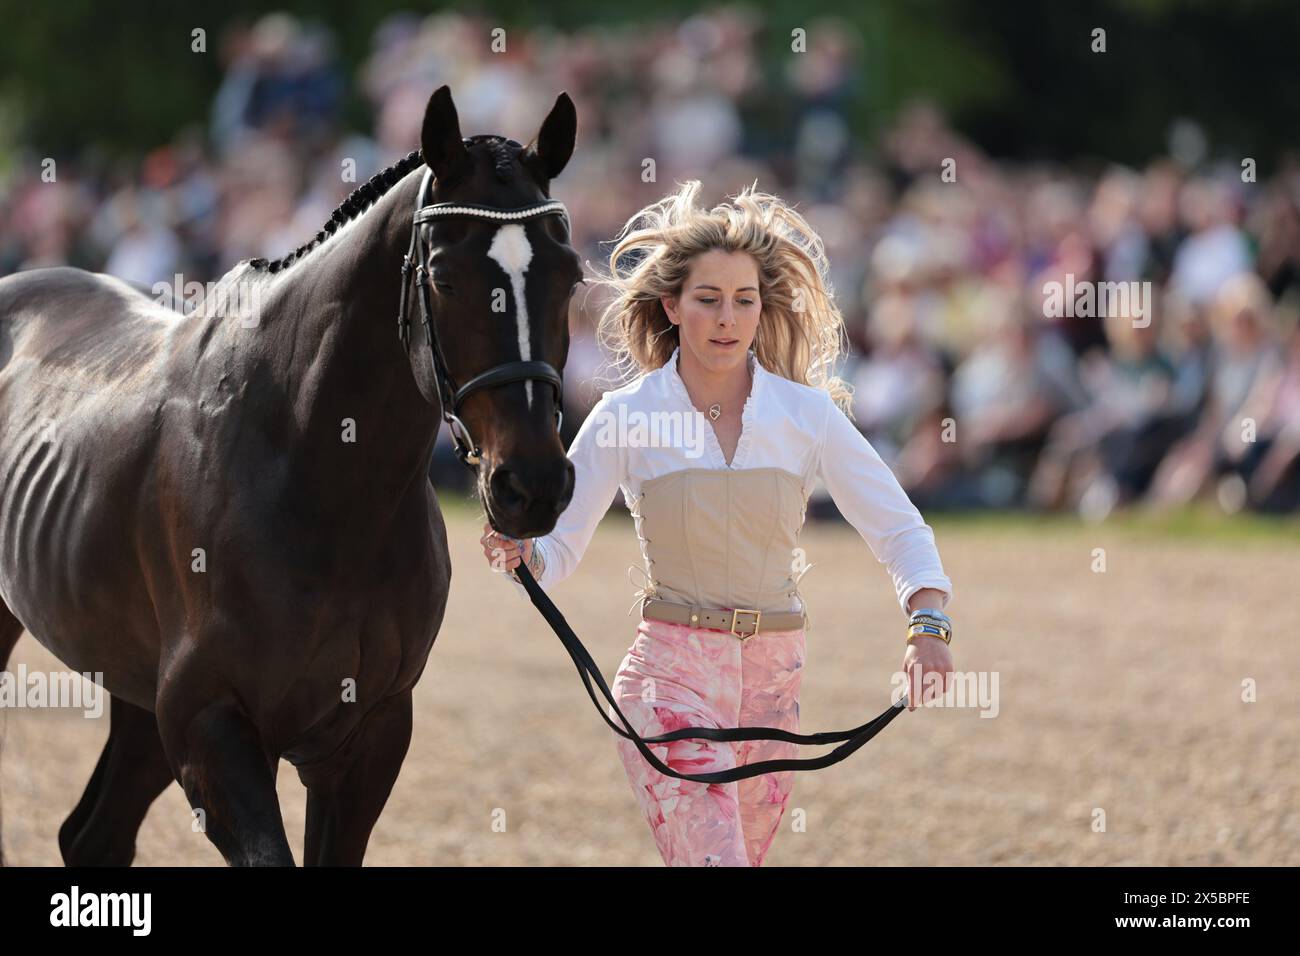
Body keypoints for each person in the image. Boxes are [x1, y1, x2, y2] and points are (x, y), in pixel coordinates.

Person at [480, 181, 954, 867]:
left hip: (774, 680)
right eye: (708, 300)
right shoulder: (626, 416)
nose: (727, 319)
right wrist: (521, 548)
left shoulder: (806, 415)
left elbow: (900, 529)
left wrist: (928, 625)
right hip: (668, 677)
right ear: (672, 306)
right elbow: (557, 549)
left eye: (744, 300)